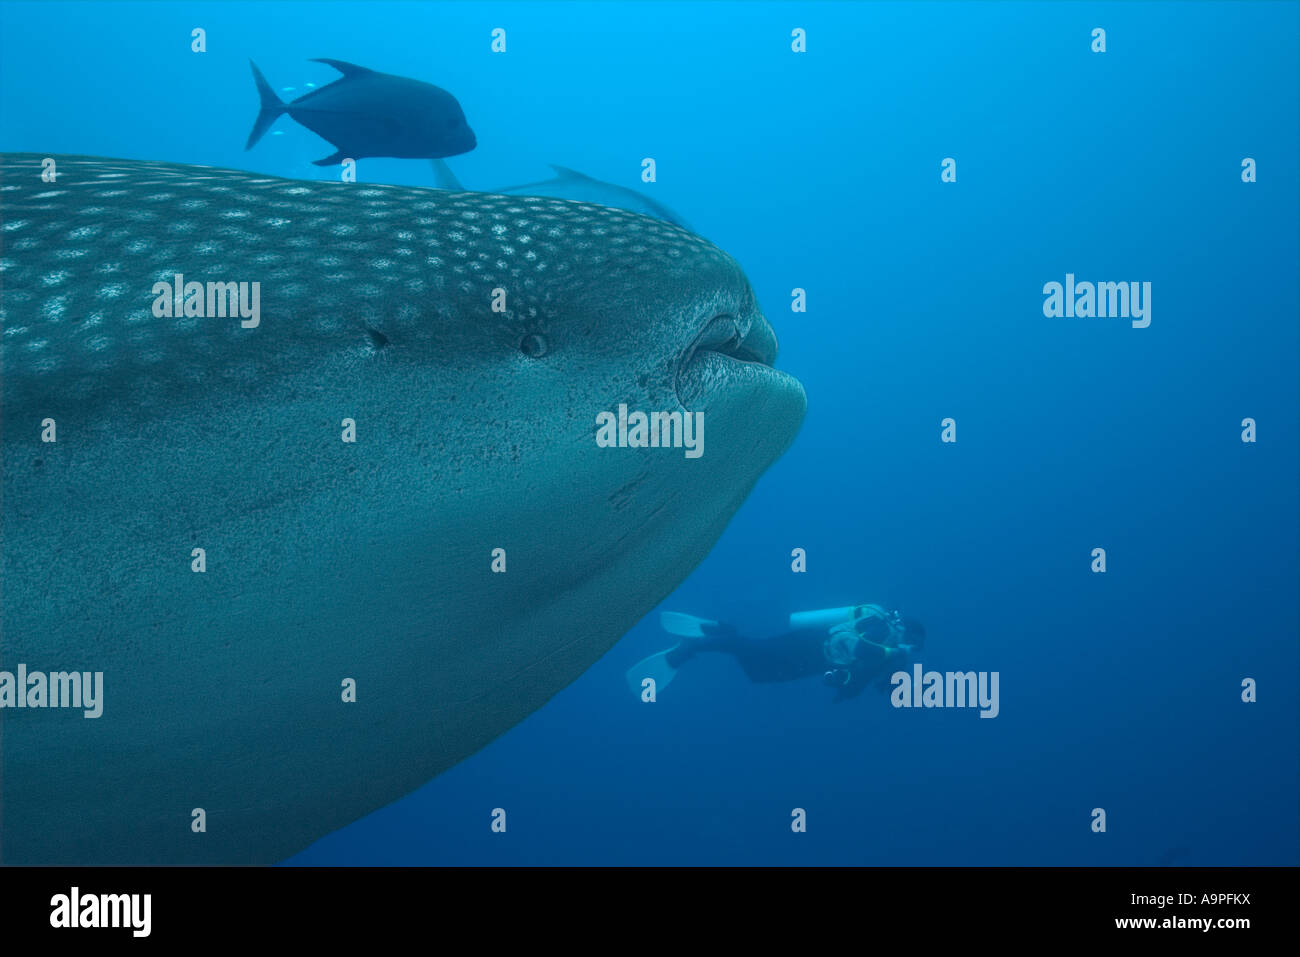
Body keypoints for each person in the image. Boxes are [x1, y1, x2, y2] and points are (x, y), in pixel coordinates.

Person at [626, 604, 926, 701]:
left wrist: (880, 682)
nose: (909, 649)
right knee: (756, 652)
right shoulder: (882, 628)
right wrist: (893, 651)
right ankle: (695, 645)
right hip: (810, 645)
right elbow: (856, 645)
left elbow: (851, 686)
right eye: (912, 641)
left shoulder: (888, 649)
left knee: (759, 668)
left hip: (812, 659)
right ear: (906, 631)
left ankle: (719, 631)